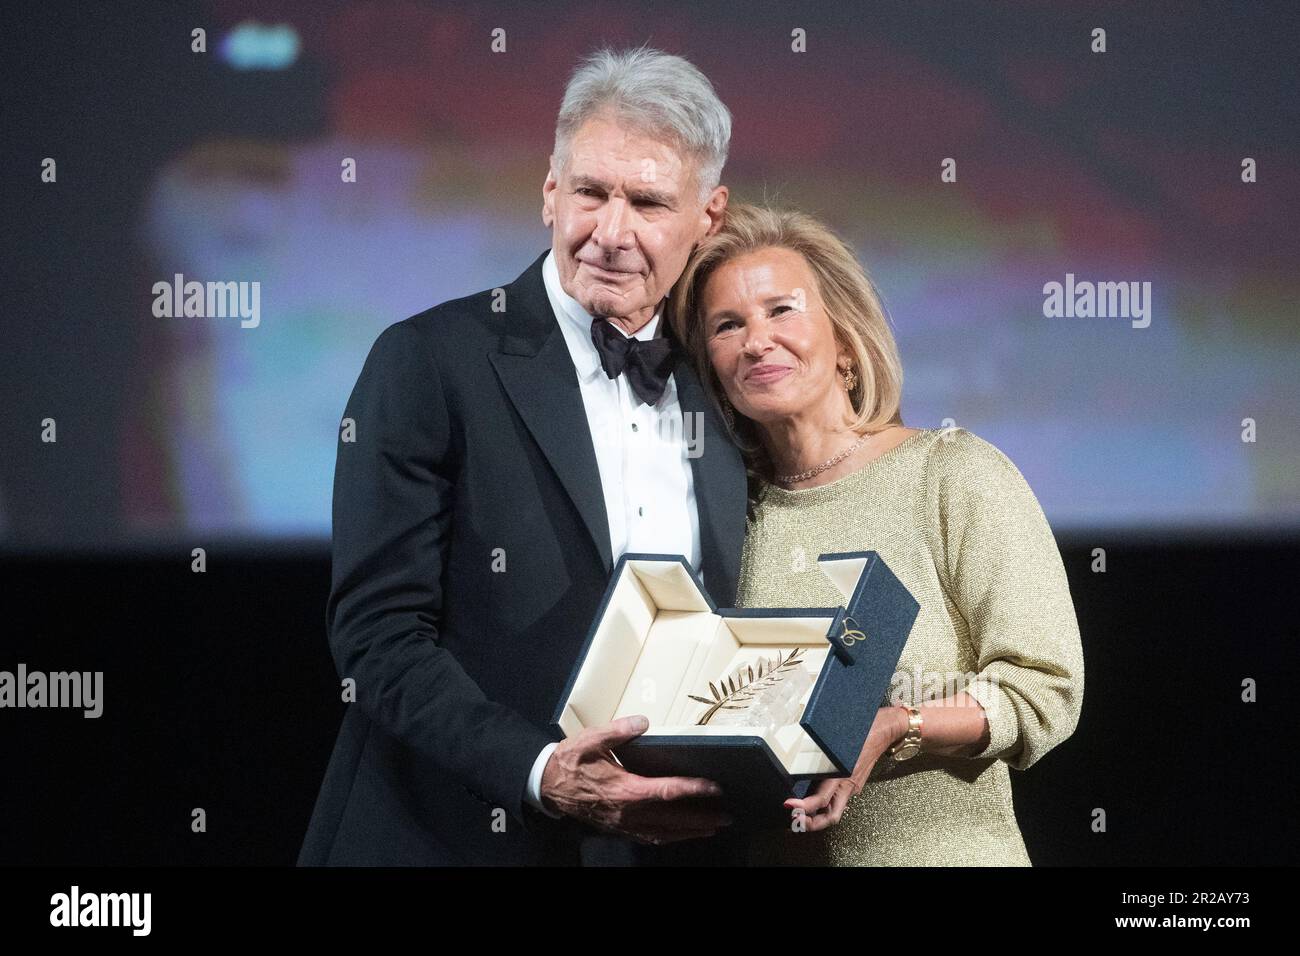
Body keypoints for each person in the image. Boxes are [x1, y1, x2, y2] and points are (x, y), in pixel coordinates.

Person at [298, 47, 749, 866]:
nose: (610, 233)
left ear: (709, 218)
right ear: (549, 191)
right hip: (447, 837)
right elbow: (377, 635)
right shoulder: (429, 361)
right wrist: (538, 771)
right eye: (589, 193)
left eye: (647, 202)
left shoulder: (724, 384)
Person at [667, 202, 1085, 865]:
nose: (756, 341)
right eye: (727, 325)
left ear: (843, 334)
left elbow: (1044, 690)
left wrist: (897, 723)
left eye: (782, 310)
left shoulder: (952, 474)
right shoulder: (723, 518)